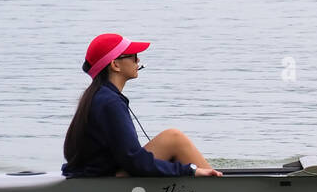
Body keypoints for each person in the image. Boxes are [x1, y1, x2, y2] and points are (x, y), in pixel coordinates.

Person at [62, 33, 222, 178]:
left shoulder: (99, 95)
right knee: (174, 138)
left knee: (172, 138)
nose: (138, 60)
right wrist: (190, 170)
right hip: (107, 179)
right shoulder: (109, 102)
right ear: (115, 65)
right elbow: (134, 160)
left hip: (100, 172)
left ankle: (209, 178)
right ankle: (217, 187)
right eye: (133, 56)